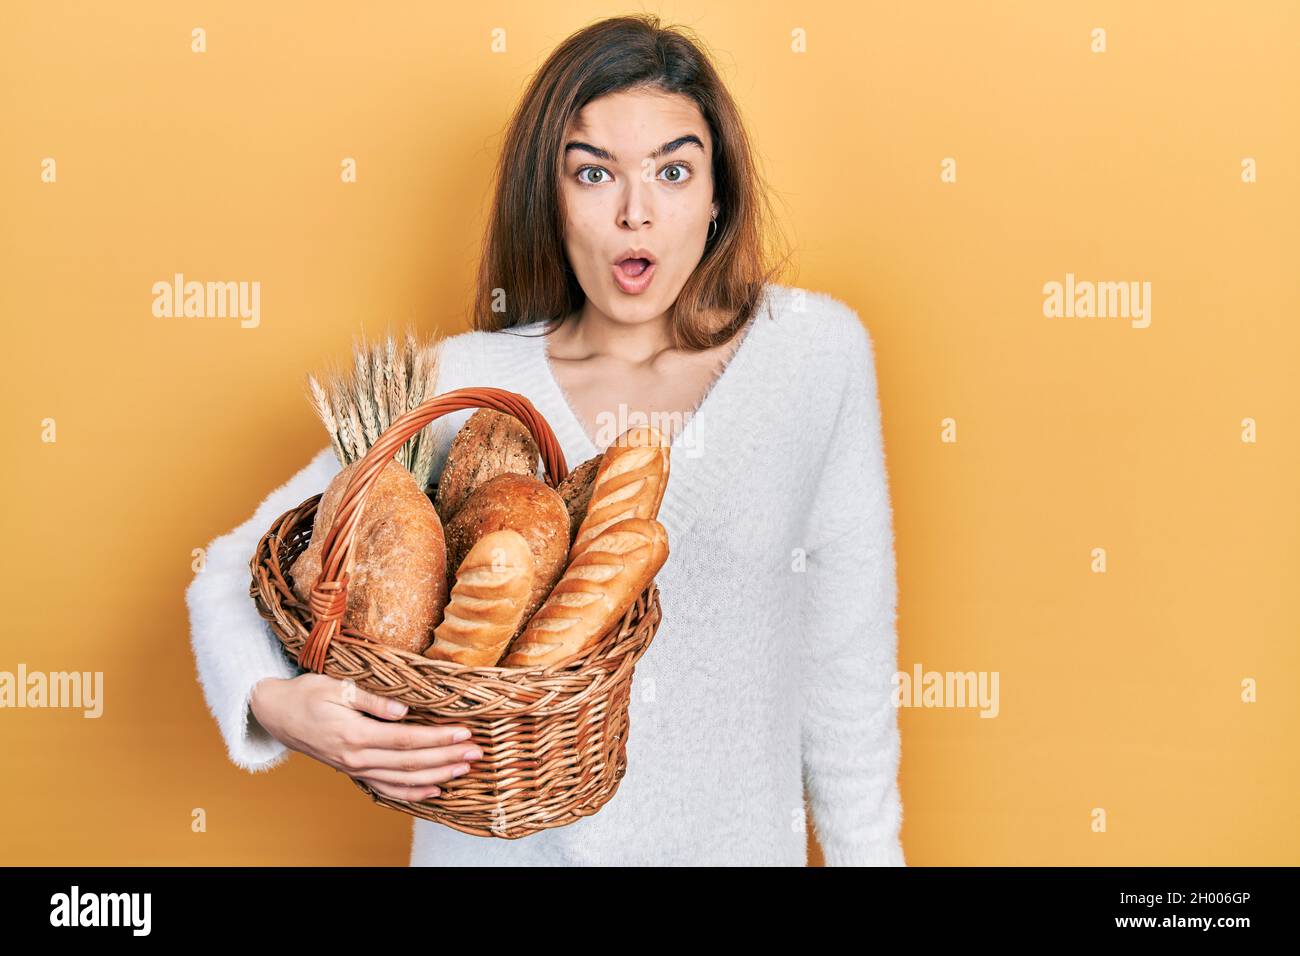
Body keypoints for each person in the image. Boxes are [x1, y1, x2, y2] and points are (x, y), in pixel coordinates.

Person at [186, 14, 904, 866]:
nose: (636, 214)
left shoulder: (813, 357)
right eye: (593, 174)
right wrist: (277, 705)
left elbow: (847, 666)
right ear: (549, 197)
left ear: (719, 195)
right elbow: (235, 569)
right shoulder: (465, 382)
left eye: (673, 171)